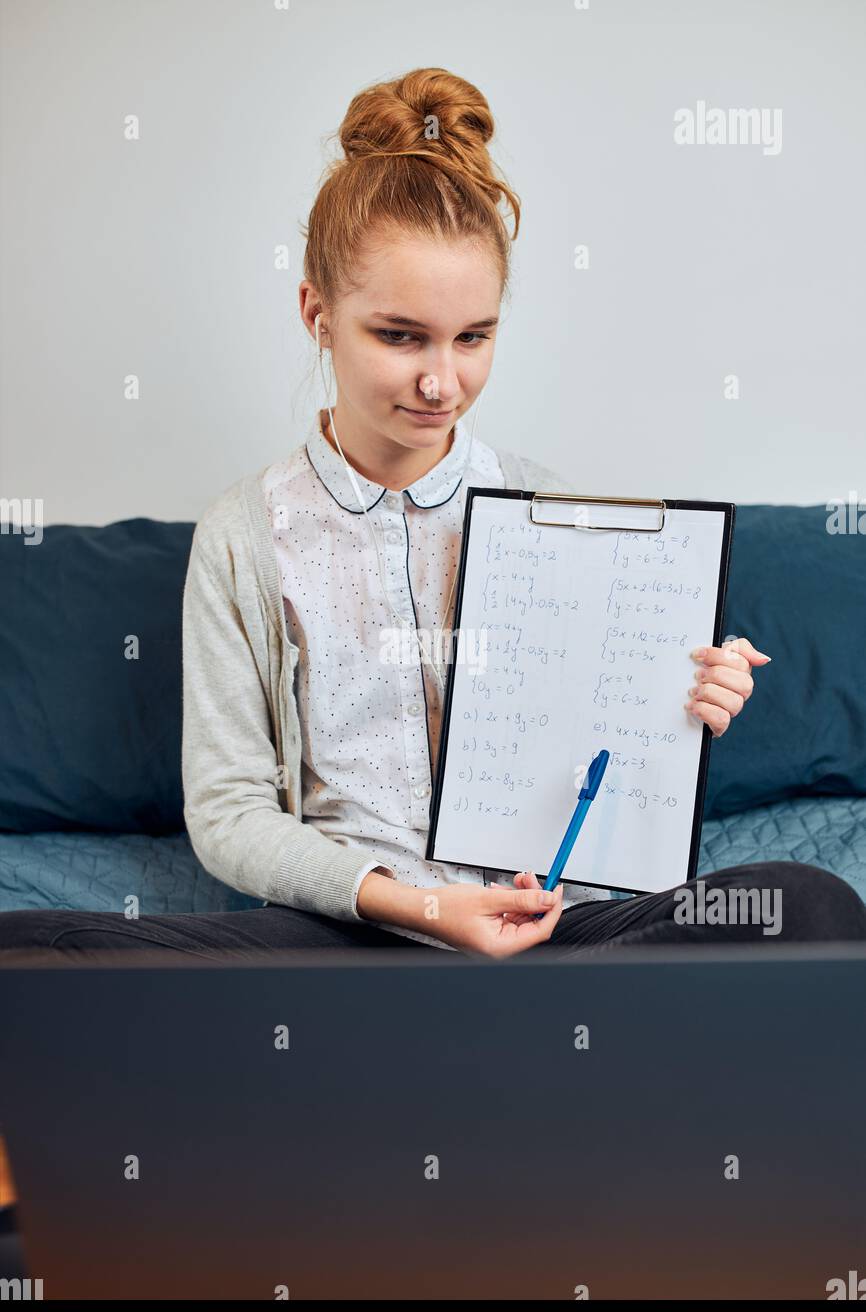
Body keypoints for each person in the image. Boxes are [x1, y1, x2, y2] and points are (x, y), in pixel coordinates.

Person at [1, 67, 863, 961]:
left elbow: (608, 776)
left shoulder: (562, 513)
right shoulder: (244, 533)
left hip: (552, 934)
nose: (441, 382)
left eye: (473, 337)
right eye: (399, 335)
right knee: (38, 950)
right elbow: (228, 815)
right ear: (318, 314)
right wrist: (415, 907)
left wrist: (684, 706)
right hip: (349, 935)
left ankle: (494, 1034)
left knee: (806, 906)